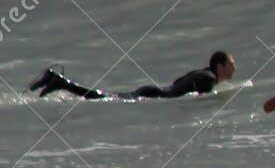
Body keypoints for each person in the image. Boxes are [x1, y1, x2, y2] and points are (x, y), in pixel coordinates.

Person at [29, 51, 236, 100]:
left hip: (153, 91)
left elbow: (177, 84)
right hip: (153, 95)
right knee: (102, 98)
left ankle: (60, 82)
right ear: (220, 66)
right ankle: (61, 82)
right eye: (231, 65)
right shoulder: (209, 79)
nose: (234, 69)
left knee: (104, 96)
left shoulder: (203, 73)